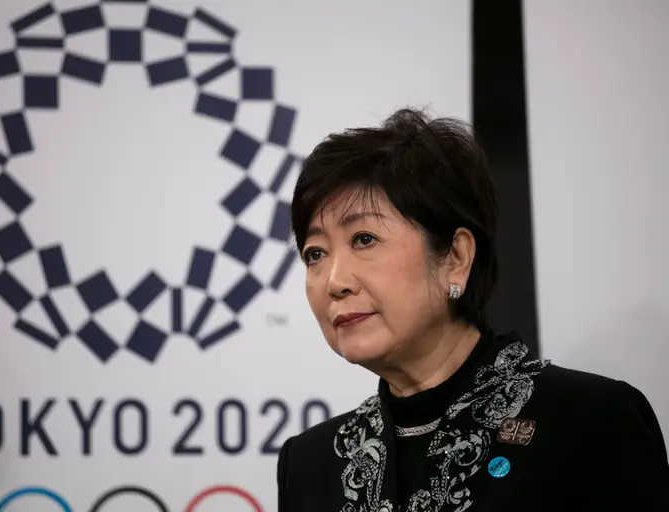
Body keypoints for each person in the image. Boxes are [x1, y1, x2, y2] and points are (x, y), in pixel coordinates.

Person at [276, 108, 669, 511]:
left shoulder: (591, 422)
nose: (335, 281)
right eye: (315, 253)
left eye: (364, 239)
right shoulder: (309, 463)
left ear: (456, 258)